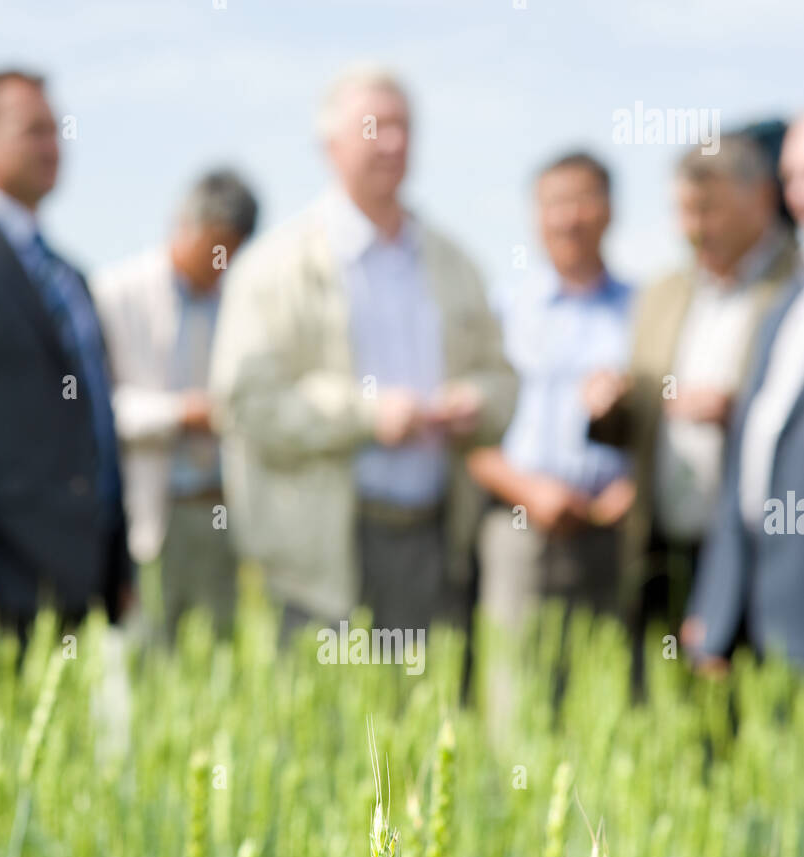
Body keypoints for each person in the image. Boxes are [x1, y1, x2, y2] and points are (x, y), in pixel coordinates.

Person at [208, 64, 517, 640]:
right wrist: (367, 416)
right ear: (330, 144)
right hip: (323, 554)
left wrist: (475, 401)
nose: (394, 143)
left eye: (404, 128)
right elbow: (246, 404)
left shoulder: (458, 263)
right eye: (376, 127)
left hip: (435, 541)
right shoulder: (272, 269)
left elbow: (502, 379)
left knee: (425, 717)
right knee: (329, 724)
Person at [0, 70, 129, 678]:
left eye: (56, 131)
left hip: (78, 583)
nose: (53, 146)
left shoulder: (69, 276)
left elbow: (97, 421)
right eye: (34, 131)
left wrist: (117, 563)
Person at [585, 135, 798, 644]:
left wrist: (737, 413)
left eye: (710, 210)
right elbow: (637, 420)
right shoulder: (661, 294)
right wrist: (607, 404)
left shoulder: (793, 287)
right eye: (683, 212)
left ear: (762, 198)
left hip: (756, 556)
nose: (695, 229)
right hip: (659, 543)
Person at [468, 152, 635, 639]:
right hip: (520, 527)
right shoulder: (503, 311)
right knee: (516, 683)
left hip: (616, 535)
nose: (569, 218)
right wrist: (531, 492)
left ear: (610, 210)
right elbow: (468, 434)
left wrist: (634, 489)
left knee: (608, 687)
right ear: (535, 215)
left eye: (583, 200)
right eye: (554, 203)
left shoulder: (645, 311)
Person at [94, 171, 258, 637]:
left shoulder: (242, 302)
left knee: (219, 662)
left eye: (232, 251)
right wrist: (178, 414)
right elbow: (94, 407)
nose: (219, 263)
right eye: (213, 247)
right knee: (141, 655)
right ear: (182, 226)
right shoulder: (116, 293)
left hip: (221, 514)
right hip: (151, 513)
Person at [682, 116, 804, 671]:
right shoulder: (785, 306)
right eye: (792, 178)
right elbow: (751, 466)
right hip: (767, 616)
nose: (798, 197)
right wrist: (716, 607)